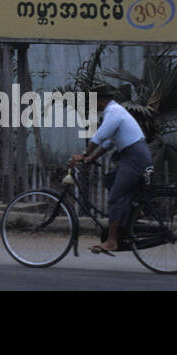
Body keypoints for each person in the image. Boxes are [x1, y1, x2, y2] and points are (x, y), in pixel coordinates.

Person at [70, 85, 149, 255]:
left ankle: (112, 241)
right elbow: (109, 143)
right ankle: (133, 212)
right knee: (110, 180)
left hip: (134, 158)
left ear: (102, 100)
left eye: (94, 101)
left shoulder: (114, 111)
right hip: (132, 156)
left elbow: (100, 136)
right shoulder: (113, 112)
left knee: (115, 197)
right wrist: (91, 158)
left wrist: (83, 154)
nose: (93, 105)